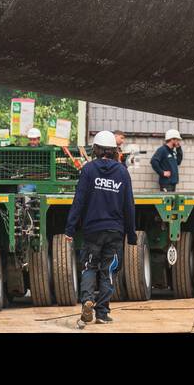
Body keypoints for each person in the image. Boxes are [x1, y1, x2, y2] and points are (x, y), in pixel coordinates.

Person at [64, 130, 137, 327]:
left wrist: (70, 229)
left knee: (89, 267)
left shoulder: (89, 170)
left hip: (92, 231)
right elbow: (129, 205)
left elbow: (79, 201)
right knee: (109, 271)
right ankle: (102, 313)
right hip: (114, 231)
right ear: (114, 150)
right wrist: (131, 234)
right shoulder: (122, 172)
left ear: (95, 149)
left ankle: (87, 301)